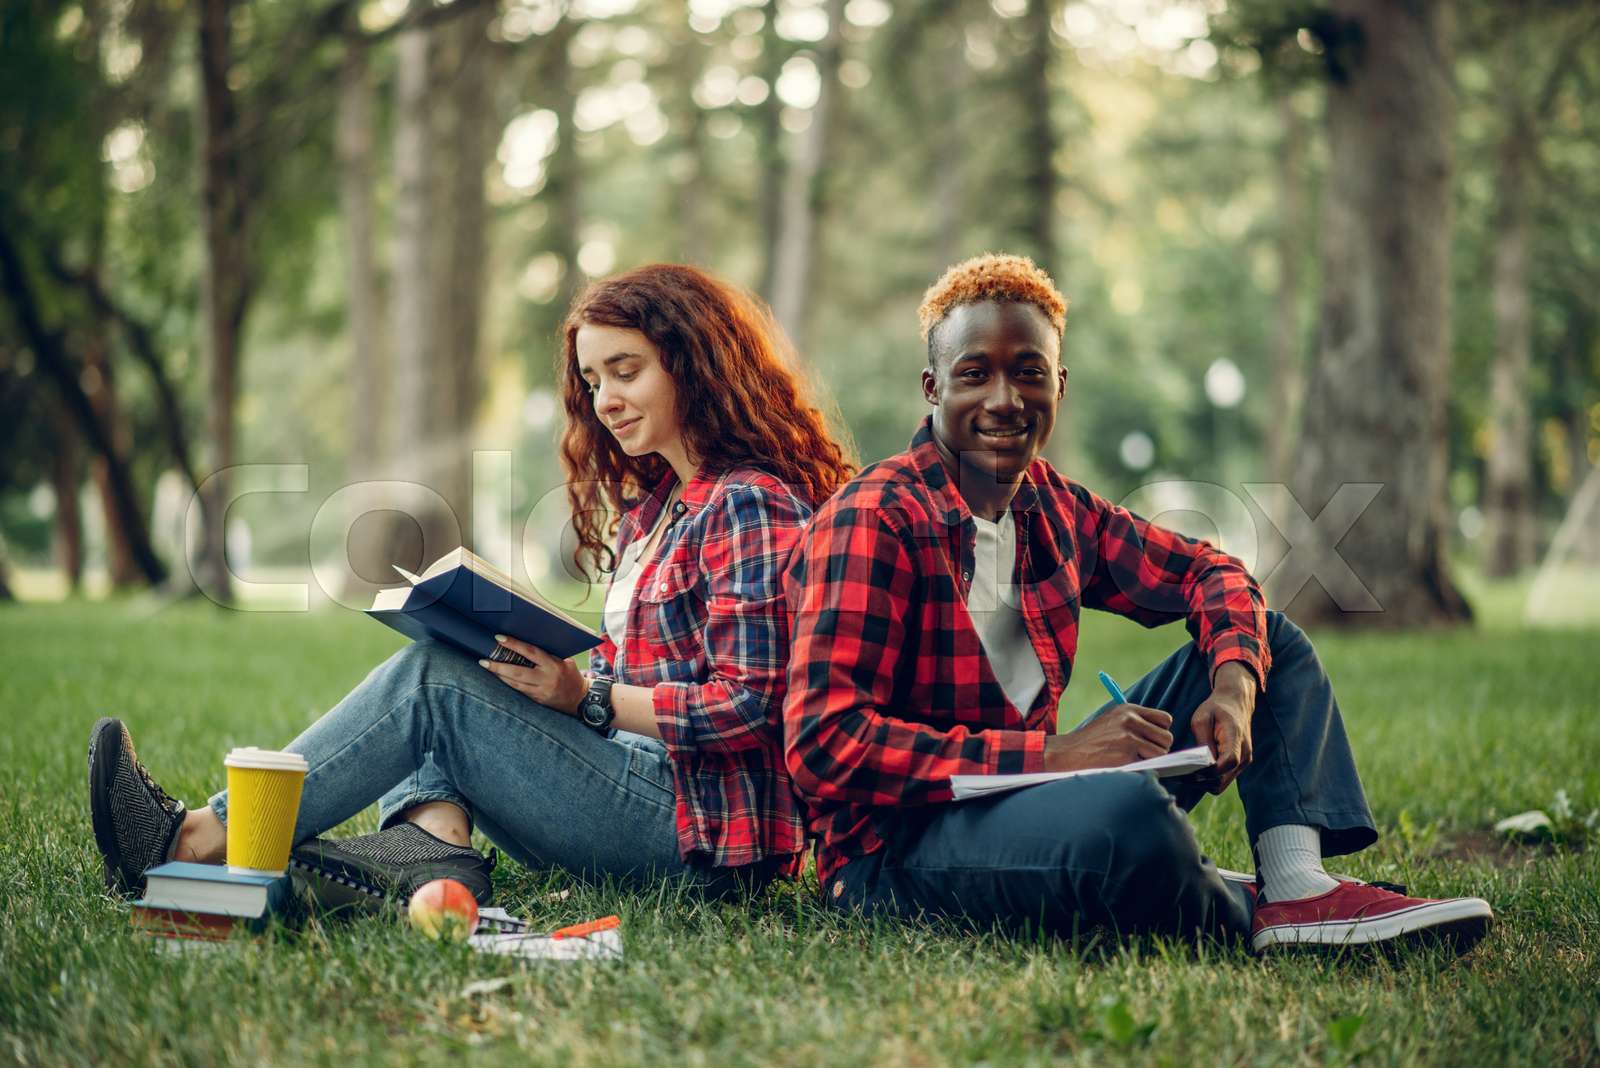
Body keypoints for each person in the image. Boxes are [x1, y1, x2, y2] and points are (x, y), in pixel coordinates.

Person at [781, 252, 1493, 952]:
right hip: (890, 855)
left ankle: (1298, 889)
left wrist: (1234, 689)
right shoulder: (873, 518)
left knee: (1270, 640)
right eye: (975, 374)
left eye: (1028, 372)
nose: (1004, 399)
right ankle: (1237, 905)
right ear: (933, 388)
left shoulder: (1053, 508)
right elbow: (823, 744)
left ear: (1059, 385)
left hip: (1026, 799)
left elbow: (1212, 575)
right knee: (1128, 818)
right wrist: (1057, 758)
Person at [89, 263, 855, 906]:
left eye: (627, 371)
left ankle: (200, 838)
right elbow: (640, 686)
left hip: (705, 835)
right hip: (644, 790)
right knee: (459, 653)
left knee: (435, 682)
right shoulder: (653, 511)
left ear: (695, 363)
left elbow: (757, 707)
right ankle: (434, 847)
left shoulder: (748, 501)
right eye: (592, 380)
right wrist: (554, 681)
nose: (606, 399)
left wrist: (581, 695)